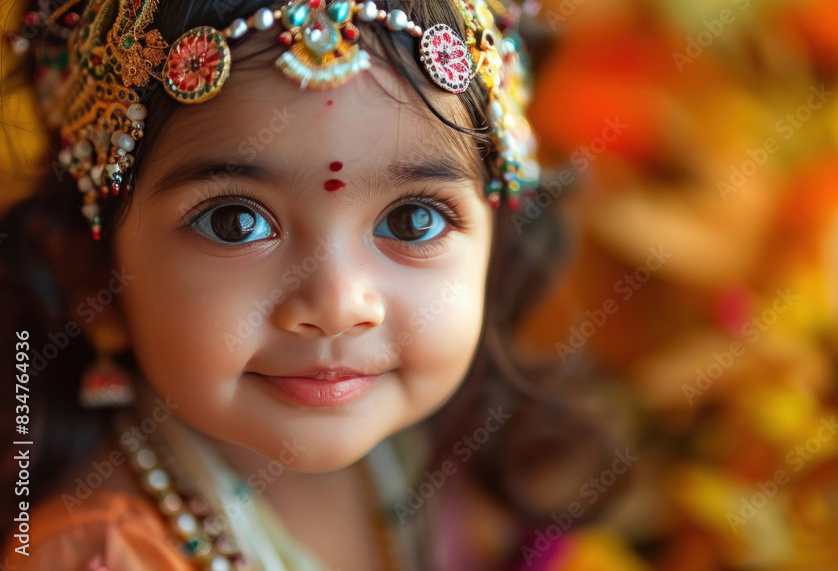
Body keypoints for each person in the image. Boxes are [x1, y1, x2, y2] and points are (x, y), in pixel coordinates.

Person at [0, 0, 639, 569]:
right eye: (235, 222)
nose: (337, 305)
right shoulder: (99, 555)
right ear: (92, 274)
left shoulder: (459, 466)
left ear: (495, 249)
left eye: (412, 220)